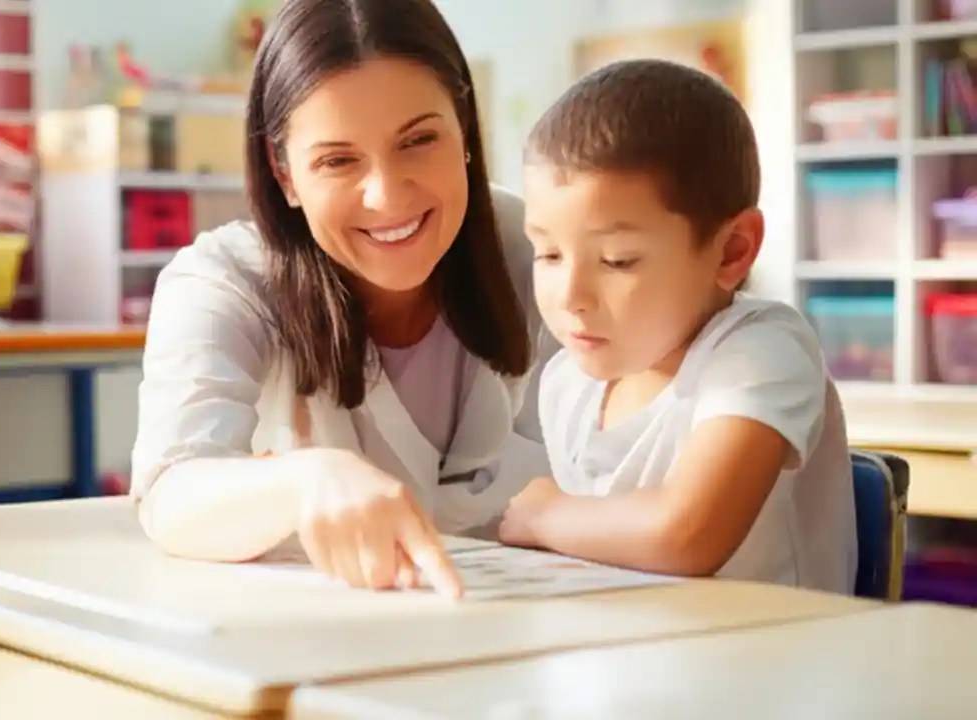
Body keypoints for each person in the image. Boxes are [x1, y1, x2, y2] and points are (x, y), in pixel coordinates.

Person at [130, 0, 556, 598]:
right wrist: (307, 480)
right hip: (312, 650)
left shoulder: (546, 248)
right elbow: (170, 493)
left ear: (464, 129)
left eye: (418, 141)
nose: (386, 196)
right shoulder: (223, 282)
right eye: (337, 160)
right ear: (285, 175)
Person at [500, 59, 858, 594]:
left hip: (773, 663)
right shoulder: (567, 383)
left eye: (618, 260)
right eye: (548, 253)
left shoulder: (763, 350)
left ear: (732, 250)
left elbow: (686, 533)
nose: (571, 296)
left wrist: (544, 516)